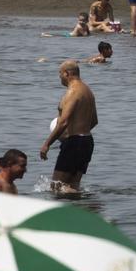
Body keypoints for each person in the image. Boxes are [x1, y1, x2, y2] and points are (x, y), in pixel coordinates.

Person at [40, 60, 98, 193]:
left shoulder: (73, 92)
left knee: (56, 187)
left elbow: (63, 122)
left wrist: (47, 144)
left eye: (60, 74)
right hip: (87, 141)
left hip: (75, 143)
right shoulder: (87, 90)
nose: (59, 77)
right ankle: (82, 207)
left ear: (67, 73)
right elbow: (94, 121)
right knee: (72, 186)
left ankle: (75, 208)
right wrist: (80, 132)